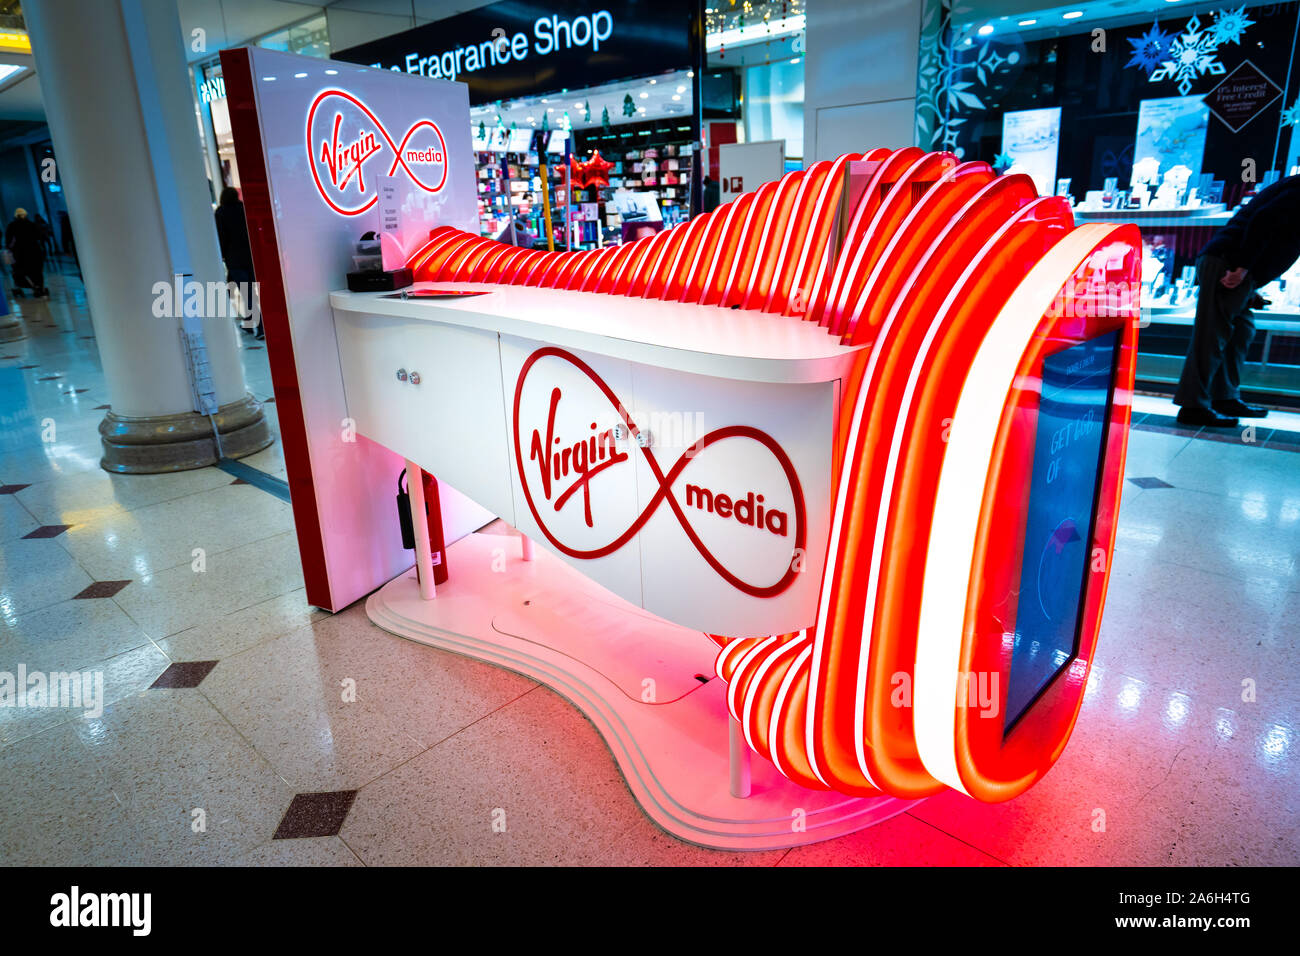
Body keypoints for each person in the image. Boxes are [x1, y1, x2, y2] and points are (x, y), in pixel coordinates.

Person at [1173, 175, 1300, 426]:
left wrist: (1251, 281)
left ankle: (1224, 397)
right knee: (1211, 336)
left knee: (1241, 330)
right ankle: (1192, 407)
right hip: (1228, 264)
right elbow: (1263, 220)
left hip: (1237, 268)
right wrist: (1242, 268)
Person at [213, 186, 260, 338]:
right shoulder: (243, 209)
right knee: (248, 290)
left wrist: (220, 255)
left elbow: (221, 237)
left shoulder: (221, 213)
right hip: (250, 257)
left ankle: (259, 327)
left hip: (234, 260)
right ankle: (249, 321)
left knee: (246, 292)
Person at [6, 208, 47, 298]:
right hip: (34, 251)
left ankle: (29, 286)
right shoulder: (32, 224)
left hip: (20, 253)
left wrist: (9, 248)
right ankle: (39, 286)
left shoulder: (12, 226)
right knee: (37, 271)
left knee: (20, 271)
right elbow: (39, 236)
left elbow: (9, 240)